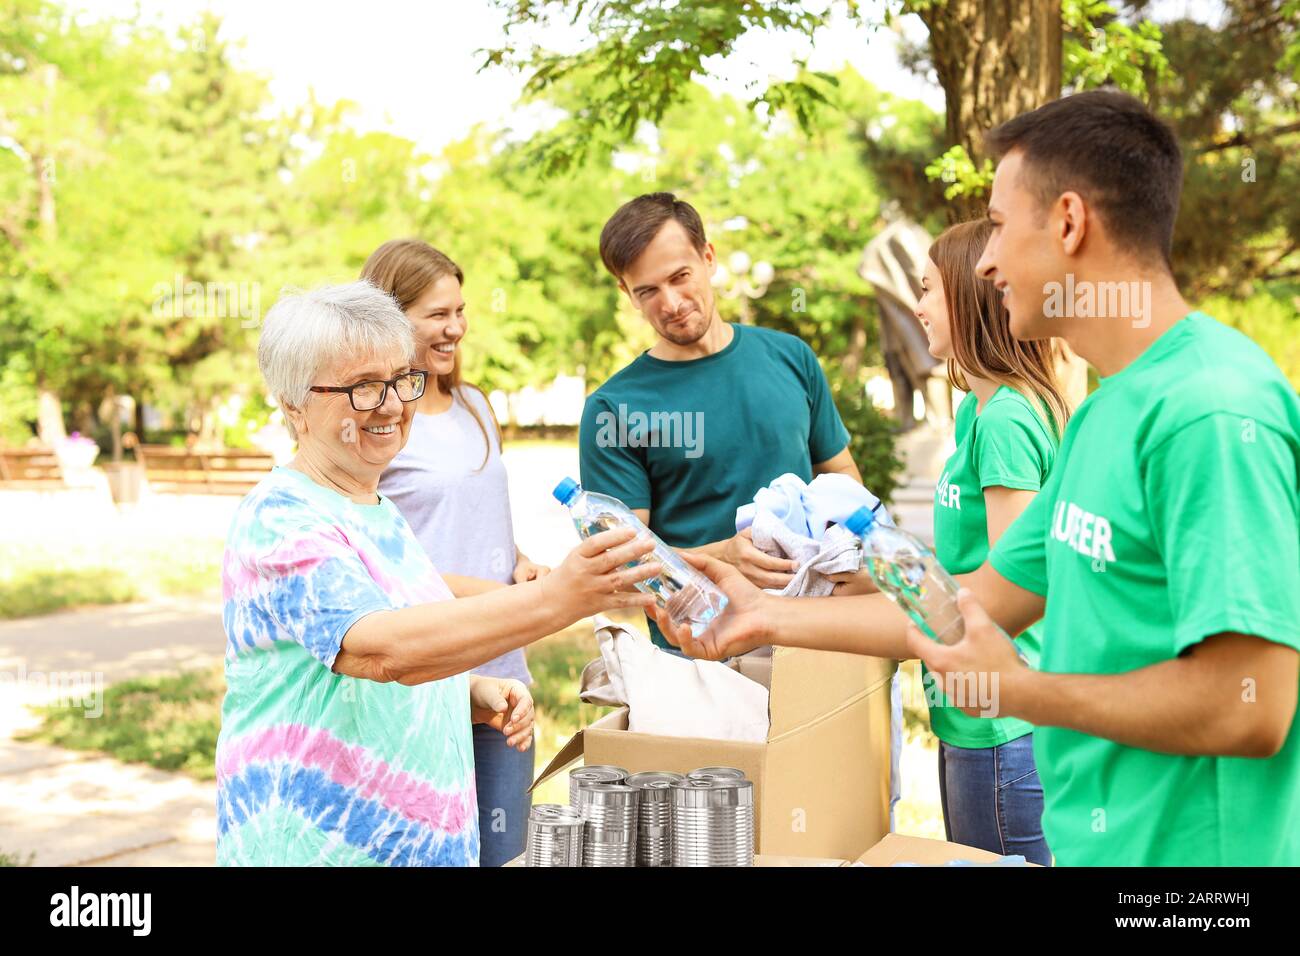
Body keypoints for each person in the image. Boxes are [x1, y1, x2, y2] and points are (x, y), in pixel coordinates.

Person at [657, 90, 1300, 866]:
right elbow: (965, 609)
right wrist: (760, 616)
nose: (985, 261)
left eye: (998, 224)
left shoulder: (1209, 408)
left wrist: (1023, 692)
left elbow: (1252, 705)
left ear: (1068, 222)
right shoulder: (1106, 413)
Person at [216, 281, 659, 866]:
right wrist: (559, 598)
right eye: (363, 387)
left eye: (401, 379)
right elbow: (380, 653)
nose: (393, 405)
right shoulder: (282, 518)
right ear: (294, 403)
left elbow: (402, 644)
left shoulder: (376, 510)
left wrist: (468, 692)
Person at [579, 191, 862, 652]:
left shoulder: (791, 357)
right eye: (647, 291)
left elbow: (844, 477)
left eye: (680, 277)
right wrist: (722, 558)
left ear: (708, 258)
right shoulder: (614, 408)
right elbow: (621, 571)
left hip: (813, 636)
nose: (670, 303)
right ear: (626, 294)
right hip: (702, 651)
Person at [362, 238, 548, 867]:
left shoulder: (475, 405)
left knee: (503, 858)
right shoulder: (376, 423)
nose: (456, 328)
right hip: (423, 680)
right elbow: (373, 560)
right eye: (437, 314)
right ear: (389, 319)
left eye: (460, 311)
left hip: (504, 678)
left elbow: (478, 517)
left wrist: (519, 564)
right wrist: (504, 598)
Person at [907, 217, 1069, 863]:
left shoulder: (1004, 419)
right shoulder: (977, 408)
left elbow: (1013, 591)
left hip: (1001, 727)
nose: (917, 307)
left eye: (928, 290)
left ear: (972, 298)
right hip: (968, 713)